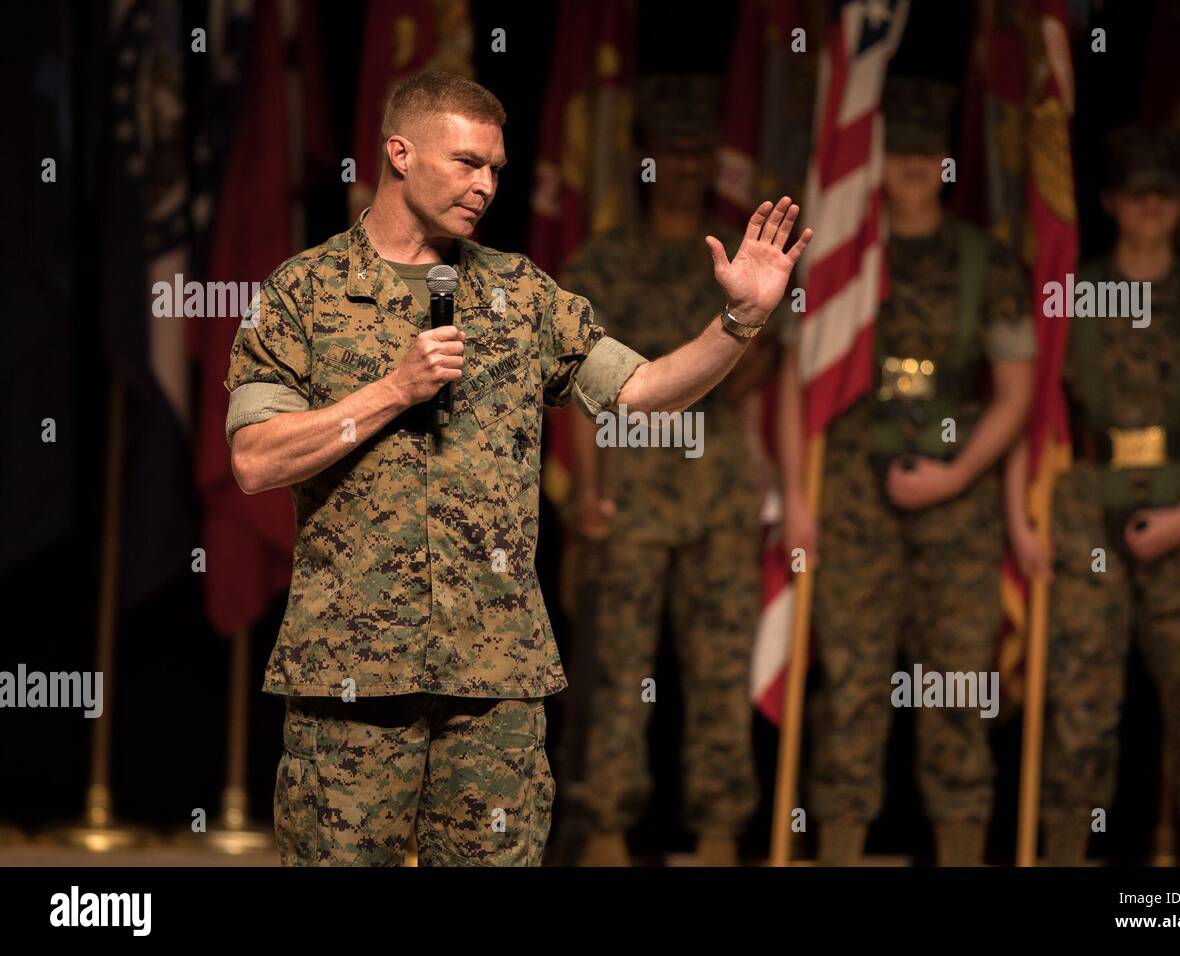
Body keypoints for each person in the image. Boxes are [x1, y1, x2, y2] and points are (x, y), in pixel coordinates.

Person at [223, 70, 812, 866]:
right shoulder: (304, 292)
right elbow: (256, 460)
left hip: (493, 683)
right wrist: (396, 389)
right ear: (400, 152)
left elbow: (641, 394)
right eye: (466, 162)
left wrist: (739, 319)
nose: (485, 185)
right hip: (351, 683)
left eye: (496, 168)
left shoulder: (521, 295)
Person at [777, 77, 1035, 866]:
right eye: (904, 152)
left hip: (957, 502)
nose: (917, 166)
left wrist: (957, 480)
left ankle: (960, 849)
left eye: (929, 152)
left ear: (948, 161)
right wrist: (794, 498)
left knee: (956, 690)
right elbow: (796, 384)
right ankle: (842, 852)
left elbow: (1018, 396)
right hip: (850, 494)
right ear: (880, 162)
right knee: (852, 688)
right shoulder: (841, 260)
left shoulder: (986, 264)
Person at [1007, 125, 1180, 866]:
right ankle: (1064, 853)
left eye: (1166, 195)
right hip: (1085, 503)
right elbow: (1030, 413)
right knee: (1079, 707)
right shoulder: (1067, 294)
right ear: (1113, 201)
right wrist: (1026, 517)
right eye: (1138, 194)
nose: (1152, 208)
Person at [561, 75, 777, 867]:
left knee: (720, 671)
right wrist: (586, 493)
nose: (684, 168)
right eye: (671, 153)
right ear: (645, 161)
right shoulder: (607, 257)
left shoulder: (733, 257)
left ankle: (720, 834)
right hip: (631, 492)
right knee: (620, 672)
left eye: (697, 154)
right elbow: (581, 380)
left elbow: (761, 363)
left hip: (717, 488)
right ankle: (608, 834)